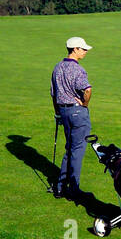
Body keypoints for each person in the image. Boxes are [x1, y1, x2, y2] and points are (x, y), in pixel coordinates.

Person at [50, 37, 94, 198]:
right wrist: (85, 104)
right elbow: (87, 90)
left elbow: (53, 95)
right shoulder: (78, 69)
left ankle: (61, 187)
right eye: (83, 49)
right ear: (74, 49)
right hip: (77, 113)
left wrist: (57, 113)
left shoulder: (57, 67)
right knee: (77, 151)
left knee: (69, 149)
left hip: (63, 112)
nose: (85, 51)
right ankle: (74, 190)